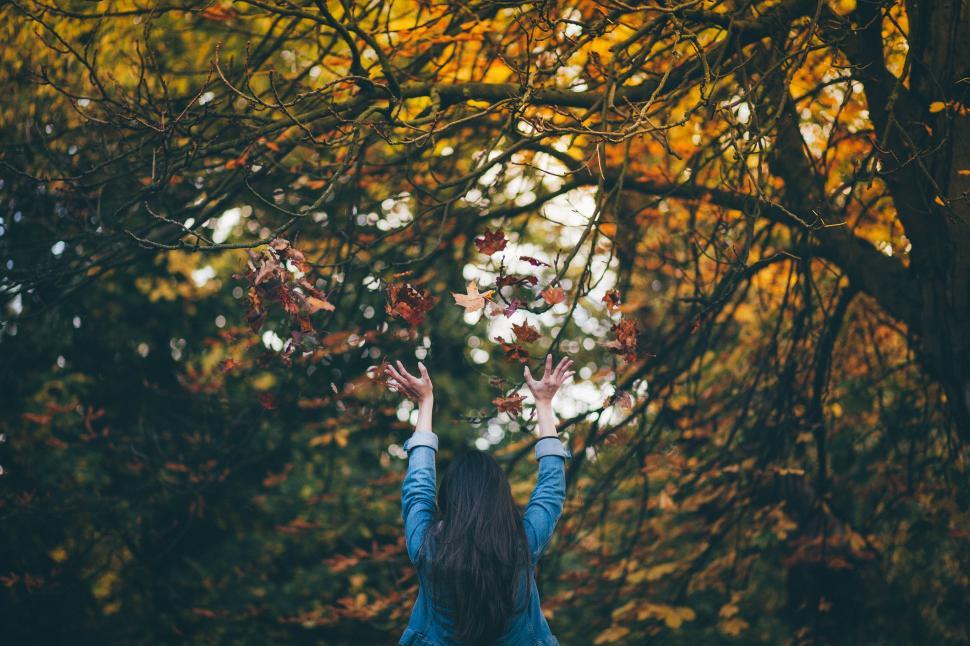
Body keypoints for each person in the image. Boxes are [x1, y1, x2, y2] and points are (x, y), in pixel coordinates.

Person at [383, 354, 575, 646]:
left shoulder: (426, 546)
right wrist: (544, 405)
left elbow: (418, 485)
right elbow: (551, 489)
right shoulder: (523, 544)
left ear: (449, 498)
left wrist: (425, 403)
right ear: (501, 498)